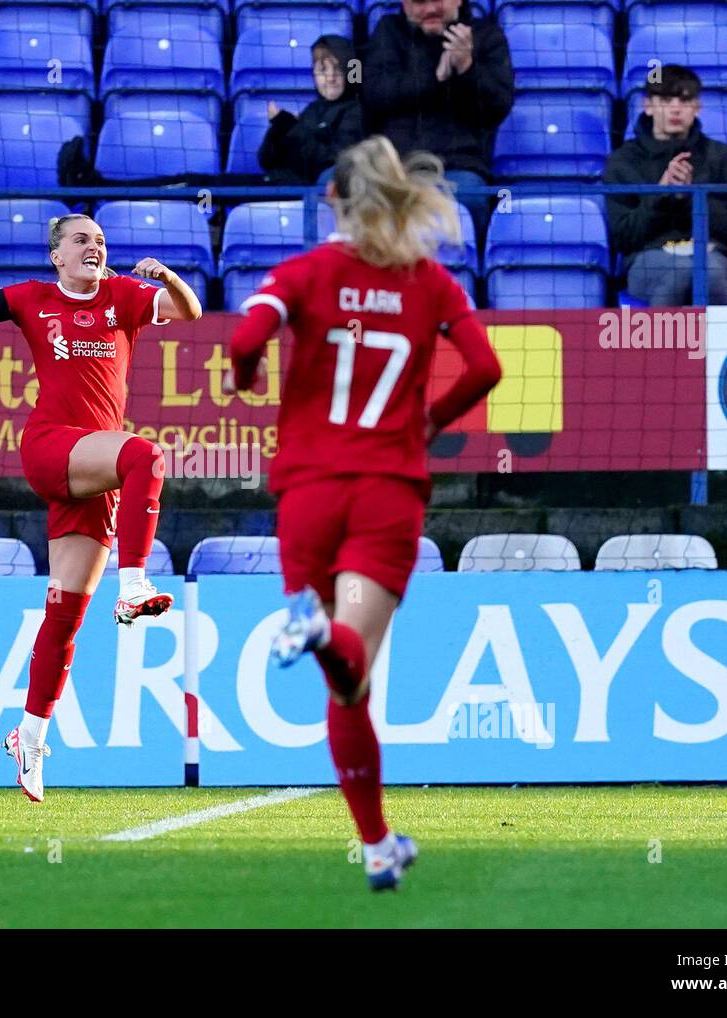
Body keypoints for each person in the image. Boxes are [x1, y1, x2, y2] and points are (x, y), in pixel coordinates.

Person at [227, 136, 502, 891]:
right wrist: (426, 423)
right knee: (352, 672)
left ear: (332, 203)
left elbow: (245, 337)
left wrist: (249, 375)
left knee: (341, 676)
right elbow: (486, 367)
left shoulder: (304, 273)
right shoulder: (432, 283)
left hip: (309, 488)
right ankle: (377, 845)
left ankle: (378, 843)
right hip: (388, 488)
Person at [0, 214, 203, 802]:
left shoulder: (125, 295)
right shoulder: (30, 298)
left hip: (92, 469)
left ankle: (29, 736)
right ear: (56, 255)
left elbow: (189, 313)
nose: (94, 246)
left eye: (100, 240)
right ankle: (134, 587)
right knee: (147, 458)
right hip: (52, 445)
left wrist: (171, 277)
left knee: (65, 609)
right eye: (81, 239)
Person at [361, 0, 513, 228]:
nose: (430, 9)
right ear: (404, 3)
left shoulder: (487, 35)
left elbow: (497, 107)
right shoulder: (388, 31)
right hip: (397, 166)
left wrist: (466, 67)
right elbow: (375, 94)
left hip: (460, 167)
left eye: (438, 0)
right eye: (420, 2)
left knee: (468, 199)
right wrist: (437, 78)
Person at [604, 66, 727, 307]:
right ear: (648, 106)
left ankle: (718, 345)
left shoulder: (719, 156)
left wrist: (691, 197)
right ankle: (660, 345)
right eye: (666, 99)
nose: (676, 108)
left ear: (697, 107)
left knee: (708, 273)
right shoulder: (622, 161)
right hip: (647, 258)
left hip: (712, 254)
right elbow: (624, 238)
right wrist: (661, 194)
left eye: (685, 99)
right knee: (680, 272)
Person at [259, 34, 362, 186]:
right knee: (213, 185)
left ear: (350, 73)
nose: (330, 78)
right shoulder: (313, 109)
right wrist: (278, 128)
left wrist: (292, 128)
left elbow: (333, 162)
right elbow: (266, 160)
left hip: (312, 195)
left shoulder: (356, 111)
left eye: (338, 70)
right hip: (281, 183)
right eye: (322, 70)